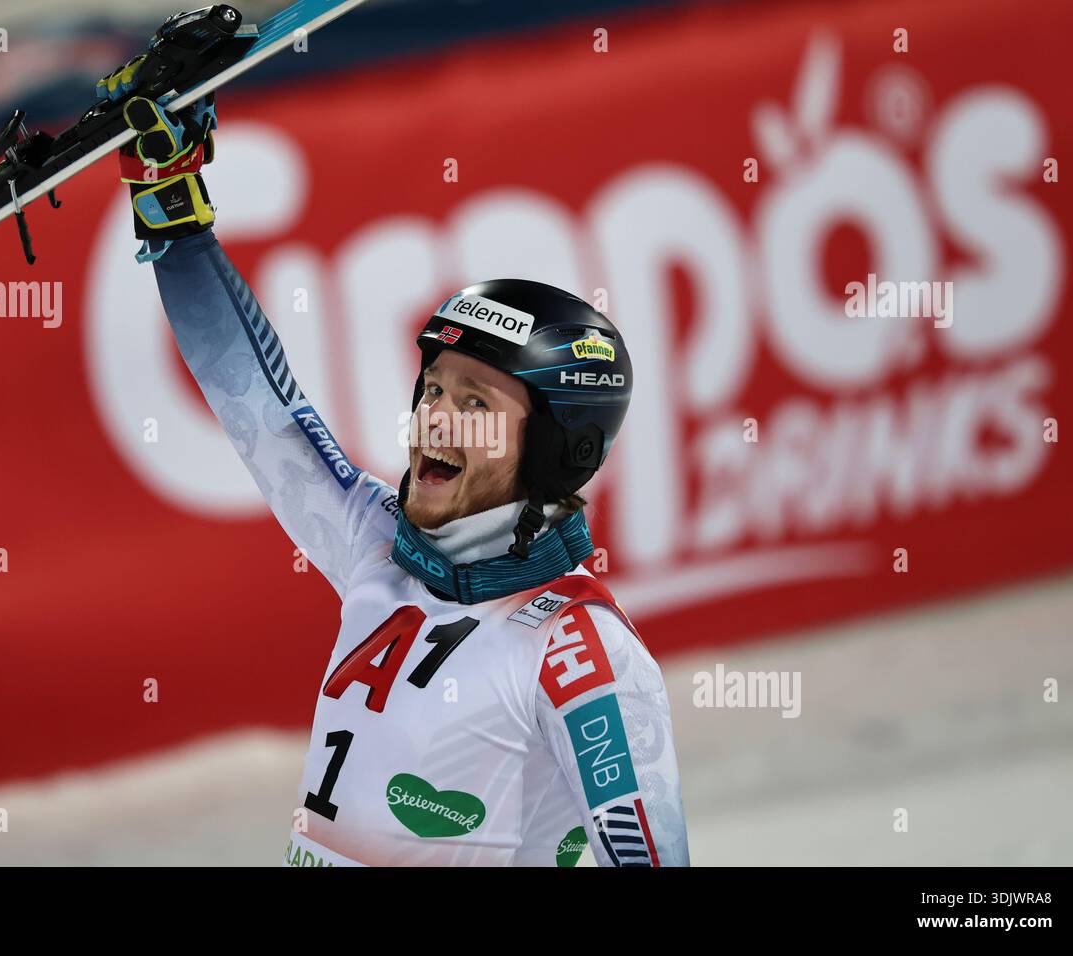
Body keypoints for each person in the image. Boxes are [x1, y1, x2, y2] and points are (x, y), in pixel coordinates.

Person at [98, 55, 689, 867]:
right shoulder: (378, 544)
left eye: (476, 403)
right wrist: (174, 221)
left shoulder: (580, 651)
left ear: (558, 450)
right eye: (434, 389)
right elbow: (261, 412)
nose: (434, 419)